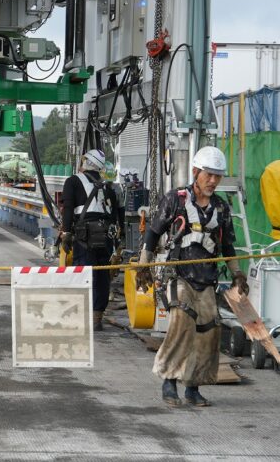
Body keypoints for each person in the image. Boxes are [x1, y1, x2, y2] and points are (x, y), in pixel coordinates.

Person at [136, 145, 249, 408]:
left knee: (209, 331)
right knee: (182, 323)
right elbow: (153, 233)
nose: (213, 181)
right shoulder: (175, 199)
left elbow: (227, 247)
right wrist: (144, 265)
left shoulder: (221, 208)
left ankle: (193, 387)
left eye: (217, 176)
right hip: (179, 275)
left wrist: (237, 275)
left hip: (206, 278)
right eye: (208, 175)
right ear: (196, 172)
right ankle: (169, 381)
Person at [59, 148, 125, 330]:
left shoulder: (73, 181)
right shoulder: (110, 185)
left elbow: (68, 208)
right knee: (102, 275)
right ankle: (97, 317)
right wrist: (121, 238)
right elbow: (120, 212)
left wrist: (66, 233)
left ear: (87, 162)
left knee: (84, 273)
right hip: (107, 236)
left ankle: (82, 315)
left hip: (84, 235)